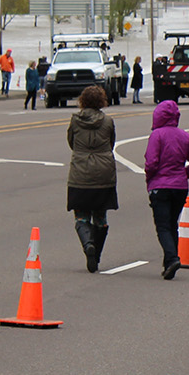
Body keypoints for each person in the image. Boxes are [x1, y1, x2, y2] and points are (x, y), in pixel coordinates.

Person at [144, 99, 189, 279]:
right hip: (179, 186)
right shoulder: (185, 136)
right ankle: (169, 263)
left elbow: (152, 163)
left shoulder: (157, 135)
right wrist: (183, 174)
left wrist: (150, 177)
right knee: (171, 225)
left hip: (160, 186)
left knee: (162, 226)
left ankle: (171, 258)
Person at [66, 85, 118, 273]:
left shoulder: (75, 121)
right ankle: (96, 254)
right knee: (100, 216)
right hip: (103, 172)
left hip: (80, 172)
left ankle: (87, 243)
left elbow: (71, 143)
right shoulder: (108, 122)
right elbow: (111, 143)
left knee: (81, 215)